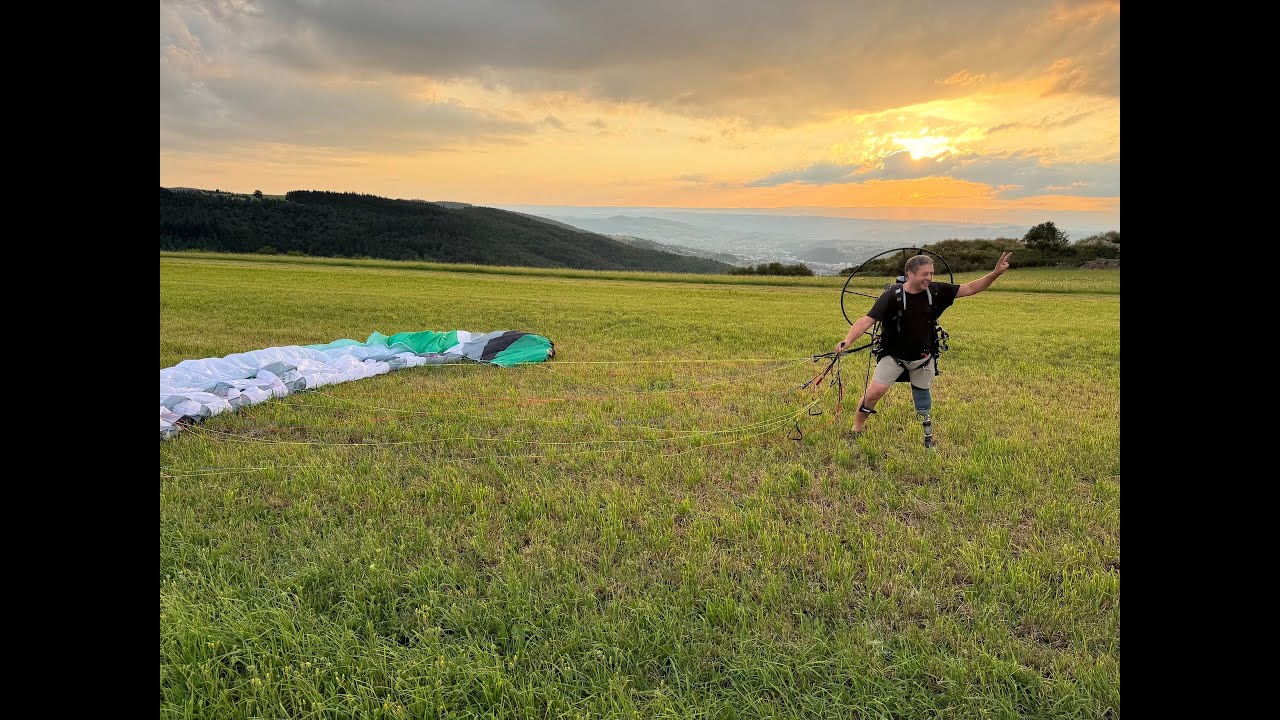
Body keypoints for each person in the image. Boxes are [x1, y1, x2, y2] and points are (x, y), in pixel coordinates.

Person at [834, 251, 1013, 448]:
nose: (929, 278)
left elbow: (970, 288)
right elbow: (866, 320)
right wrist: (848, 340)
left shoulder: (936, 291)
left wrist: (995, 273)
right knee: (873, 394)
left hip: (923, 357)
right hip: (893, 356)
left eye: (931, 274)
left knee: (923, 400)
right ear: (910, 274)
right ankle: (856, 429)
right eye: (924, 274)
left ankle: (928, 438)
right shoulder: (891, 296)